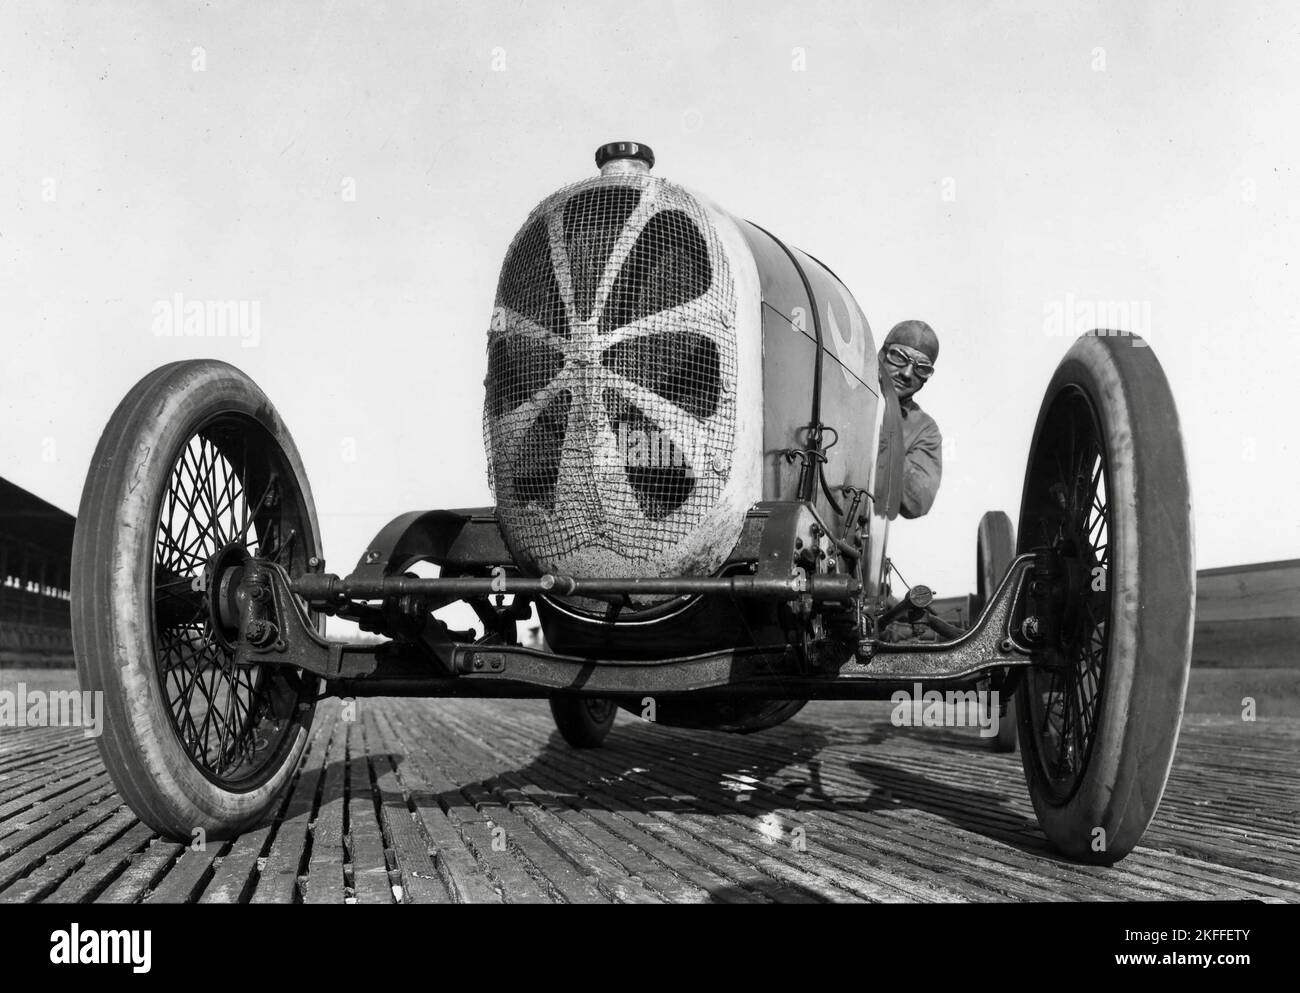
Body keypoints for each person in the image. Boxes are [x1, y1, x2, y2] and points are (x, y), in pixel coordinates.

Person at [879, 320, 942, 519]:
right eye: (899, 357)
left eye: (921, 368)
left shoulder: (925, 429)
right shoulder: (843, 387)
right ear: (881, 354)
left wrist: (883, 439)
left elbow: (919, 501)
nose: (906, 373)